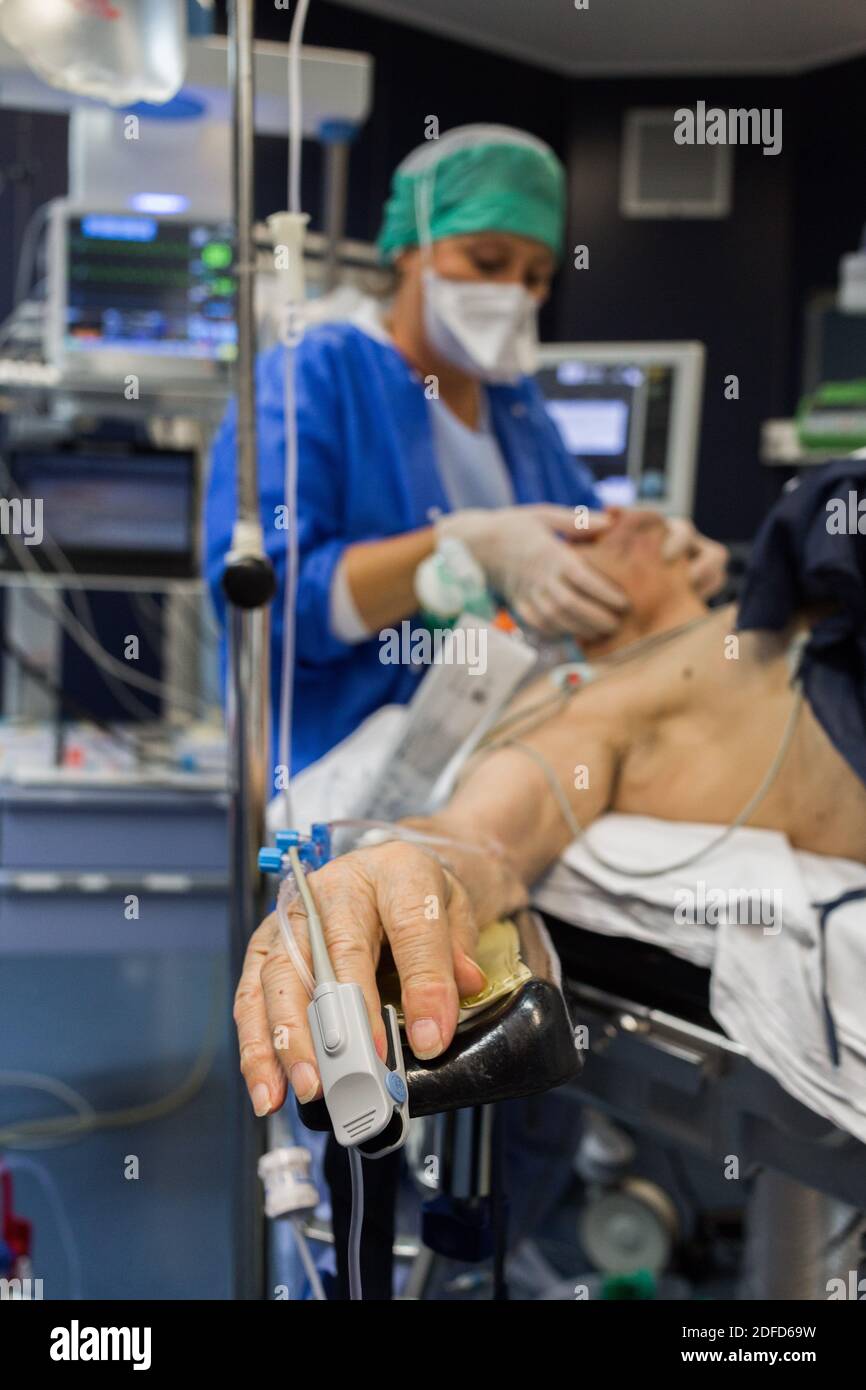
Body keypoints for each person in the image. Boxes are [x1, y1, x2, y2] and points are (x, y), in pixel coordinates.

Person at [234, 485, 866, 1119]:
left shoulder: (783, 588)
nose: (613, 517)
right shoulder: (594, 701)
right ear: (548, 592)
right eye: (579, 535)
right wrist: (396, 867)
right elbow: (487, 832)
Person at [205, 124, 727, 772]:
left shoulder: (514, 405)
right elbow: (269, 605)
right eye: (486, 262)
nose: (515, 291)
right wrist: (459, 546)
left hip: (508, 747)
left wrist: (663, 546)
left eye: (537, 276)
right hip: (343, 767)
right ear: (407, 249)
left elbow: (584, 529)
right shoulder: (313, 373)